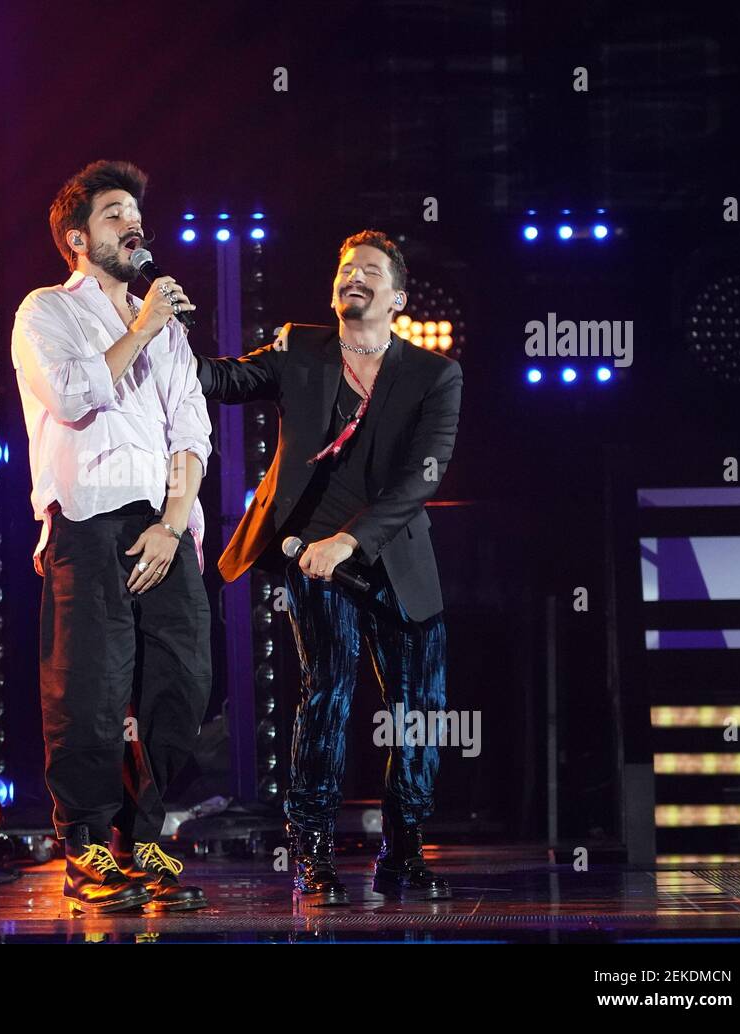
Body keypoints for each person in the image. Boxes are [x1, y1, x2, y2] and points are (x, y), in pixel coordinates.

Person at [194, 231, 462, 904]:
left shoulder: (435, 375)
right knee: (328, 692)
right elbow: (219, 379)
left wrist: (353, 539)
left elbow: (421, 478)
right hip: (310, 559)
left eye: (371, 271)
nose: (355, 277)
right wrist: (151, 330)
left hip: (393, 559)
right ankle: (312, 851)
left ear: (397, 298)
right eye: (347, 269)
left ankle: (403, 850)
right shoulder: (302, 349)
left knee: (419, 714)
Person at [11, 161, 213, 912]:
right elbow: (69, 396)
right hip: (87, 521)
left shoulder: (166, 325)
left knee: (182, 682)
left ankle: (148, 836)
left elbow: (192, 429)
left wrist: (171, 520)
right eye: (114, 214)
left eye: (136, 212)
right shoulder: (46, 312)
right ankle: (87, 846)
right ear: (76, 238)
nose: (133, 225)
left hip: (163, 526)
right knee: (88, 694)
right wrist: (141, 327)